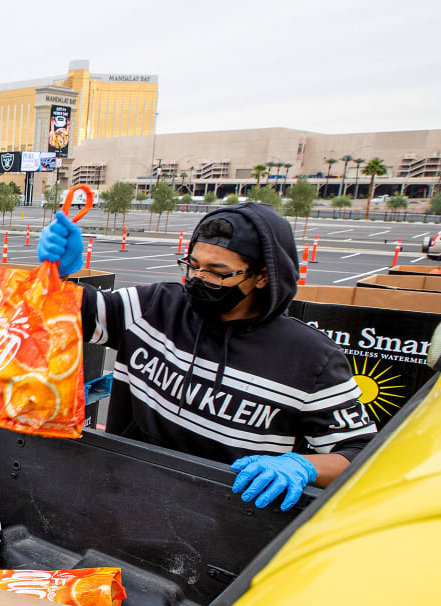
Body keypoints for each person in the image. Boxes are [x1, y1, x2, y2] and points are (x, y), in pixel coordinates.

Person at [37, 202, 376, 511]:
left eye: (218, 272)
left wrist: (303, 467)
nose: (198, 279)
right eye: (193, 265)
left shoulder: (310, 358)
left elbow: (363, 454)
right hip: (126, 495)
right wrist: (57, 274)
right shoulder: (155, 306)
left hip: (225, 522)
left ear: (261, 276)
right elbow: (64, 314)